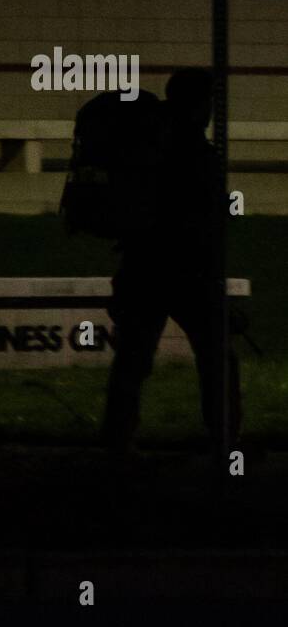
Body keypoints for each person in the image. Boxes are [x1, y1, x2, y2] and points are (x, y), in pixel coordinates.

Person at [103, 67, 240, 451]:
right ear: (196, 105)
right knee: (217, 359)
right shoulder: (194, 152)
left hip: (144, 268)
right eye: (208, 101)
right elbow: (203, 221)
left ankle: (116, 439)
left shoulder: (147, 144)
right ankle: (224, 438)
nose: (212, 110)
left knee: (133, 359)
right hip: (187, 272)